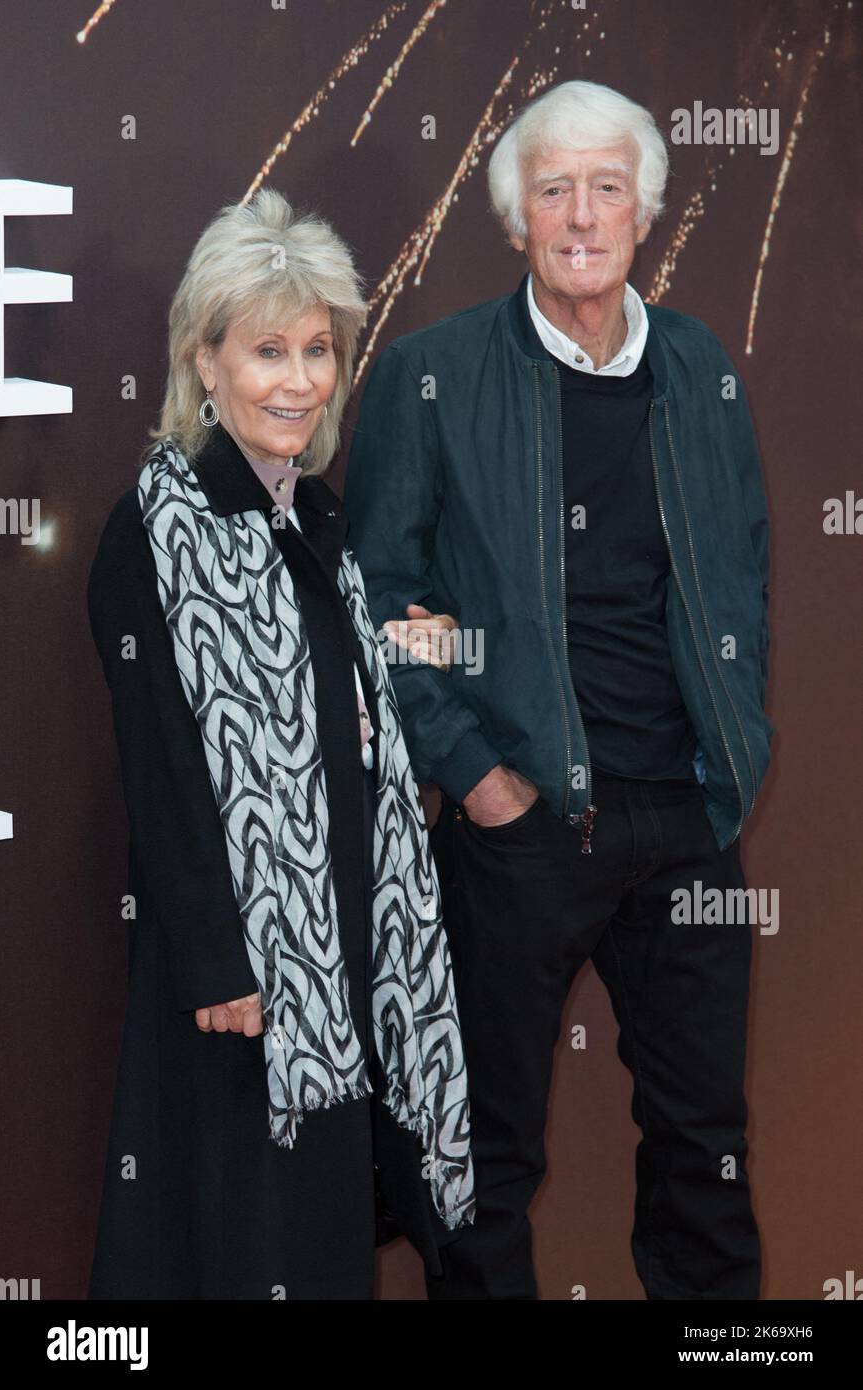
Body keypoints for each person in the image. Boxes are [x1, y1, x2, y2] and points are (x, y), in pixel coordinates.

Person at [344, 79, 774, 1300]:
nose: (579, 215)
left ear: (642, 208)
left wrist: (729, 752)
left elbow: (736, 575)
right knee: (481, 1160)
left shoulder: (699, 367)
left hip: (682, 824)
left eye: (603, 188)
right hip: (519, 824)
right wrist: (476, 777)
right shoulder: (432, 376)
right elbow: (378, 604)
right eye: (552, 190)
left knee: (707, 1150)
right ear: (515, 217)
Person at [87, 188, 474, 1300]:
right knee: (225, 1232)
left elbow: (331, 722)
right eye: (267, 350)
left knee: (312, 1239)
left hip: (340, 941)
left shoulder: (314, 515)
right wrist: (219, 956)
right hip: (233, 965)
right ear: (203, 362)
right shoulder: (154, 526)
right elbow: (159, 764)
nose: (299, 380)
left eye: (318, 349)